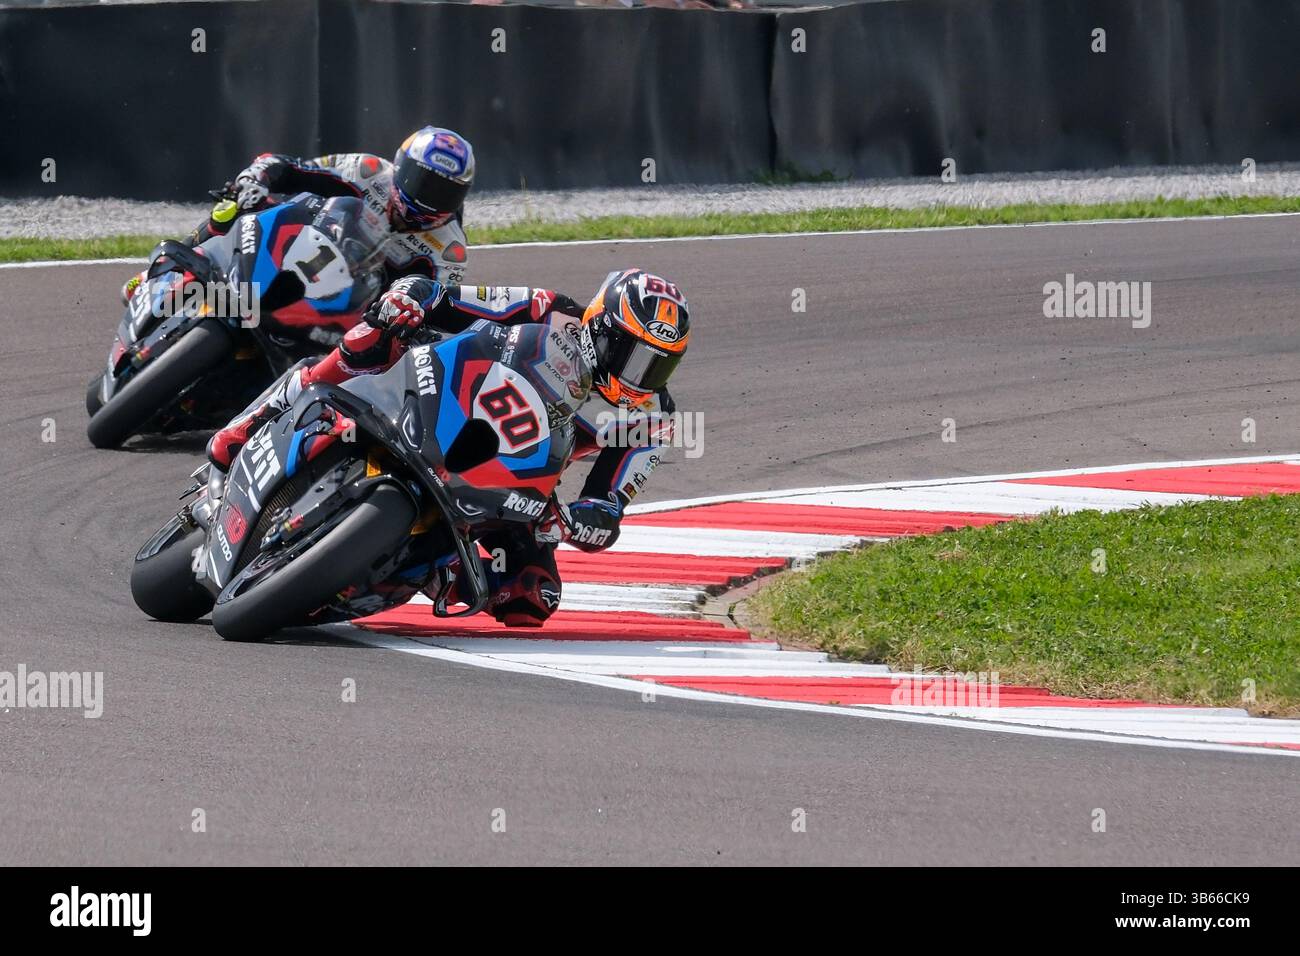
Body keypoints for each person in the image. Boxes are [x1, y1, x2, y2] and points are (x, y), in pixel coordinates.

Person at [207, 268, 691, 627]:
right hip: (446, 400)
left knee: (532, 598)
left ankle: (432, 568)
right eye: (634, 355)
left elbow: (609, 501)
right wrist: (411, 297)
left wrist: (589, 520)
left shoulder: (651, 420)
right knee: (366, 341)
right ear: (601, 328)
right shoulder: (549, 308)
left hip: (519, 479)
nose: (640, 376)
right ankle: (255, 422)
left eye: (658, 366)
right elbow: (454, 299)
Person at [121, 126, 475, 303]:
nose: (428, 198)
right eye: (421, 181)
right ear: (400, 166)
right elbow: (289, 167)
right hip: (302, 243)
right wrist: (255, 179)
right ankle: (162, 273)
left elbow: (433, 304)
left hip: (349, 306)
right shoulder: (366, 170)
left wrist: (400, 305)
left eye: (444, 191)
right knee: (235, 207)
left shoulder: (448, 250)